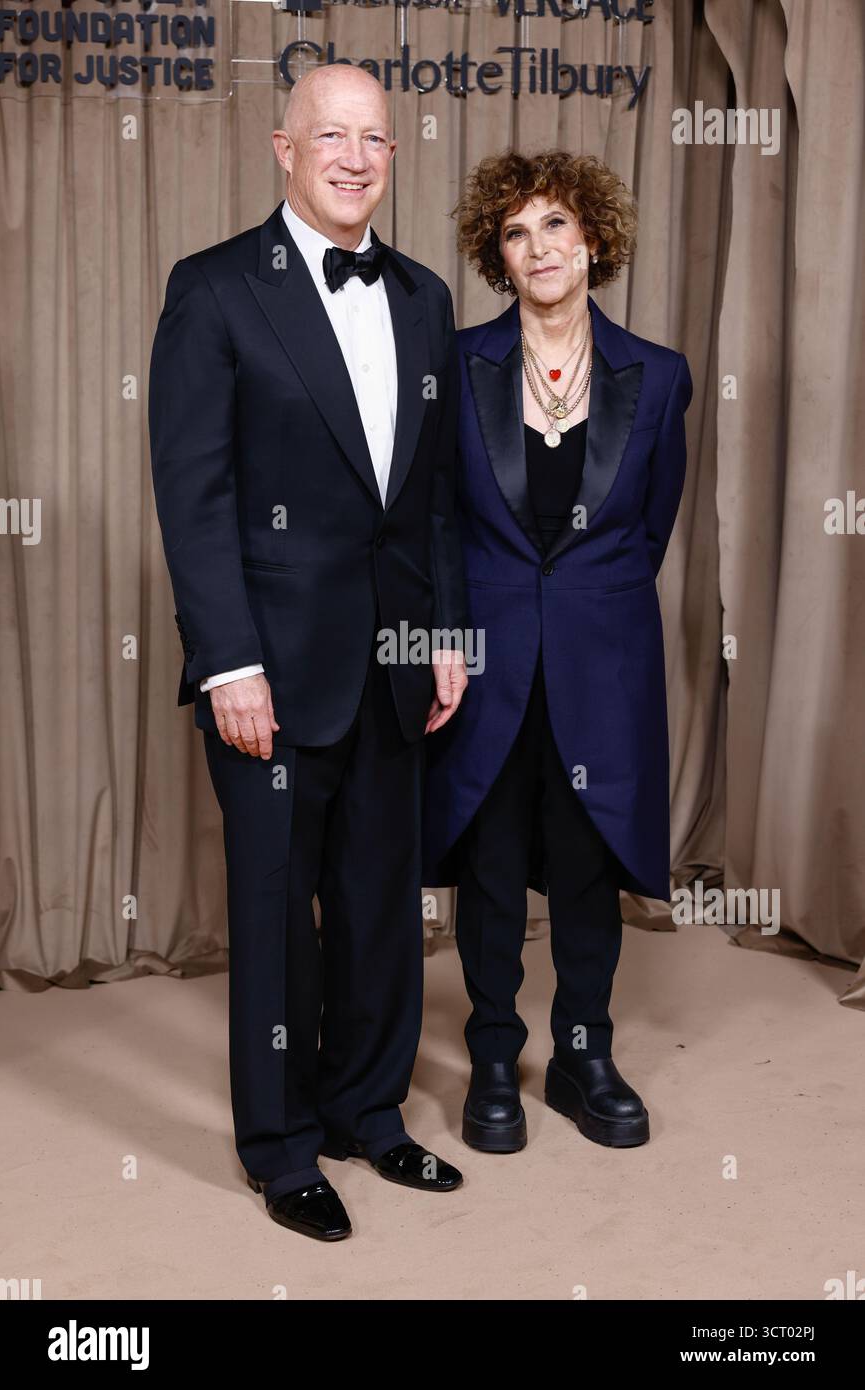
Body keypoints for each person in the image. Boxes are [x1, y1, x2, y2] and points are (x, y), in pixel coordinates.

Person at [149, 65, 468, 1242]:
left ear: (394, 153)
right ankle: (282, 1149)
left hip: (393, 662)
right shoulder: (218, 288)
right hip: (270, 674)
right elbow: (194, 494)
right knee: (280, 915)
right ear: (284, 146)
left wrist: (443, 636)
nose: (353, 156)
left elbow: (432, 498)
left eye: (373, 137)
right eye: (330, 135)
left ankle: (370, 1113)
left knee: (383, 905)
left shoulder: (427, 297)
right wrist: (229, 661)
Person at [423, 150, 693, 1155]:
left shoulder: (659, 376)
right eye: (516, 232)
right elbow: (437, 519)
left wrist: (586, 606)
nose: (538, 247)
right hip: (486, 660)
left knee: (586, 864)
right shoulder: (454, 366)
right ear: (500, 256)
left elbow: (648, 528)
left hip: (603, 659)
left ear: (593, 243)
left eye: (557, 227)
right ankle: (495, 1053)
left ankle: (584, 1054)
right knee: (490, 863)